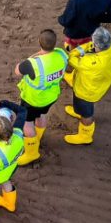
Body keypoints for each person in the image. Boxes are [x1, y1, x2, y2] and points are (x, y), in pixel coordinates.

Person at [14, 29, 68, 165]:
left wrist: (36, 55)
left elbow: (17, 71)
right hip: (50, 97)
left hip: (32, 100)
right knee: (41, 115)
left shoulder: (33, 63)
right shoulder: (61, 54)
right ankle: (38, 136)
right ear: (55, 44)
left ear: (39, 43)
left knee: (27, 123)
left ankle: (32, 152)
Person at [62, 27, 111, 145]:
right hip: (98, 83)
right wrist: (81, 49)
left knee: (87, 113)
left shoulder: (92, 63)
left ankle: (85, 135)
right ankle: (79, 111)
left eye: (94, 43)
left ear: (99, 46)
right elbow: (89, 45)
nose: (92, 44)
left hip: (87, 90)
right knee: (81, 106)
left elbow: (72, 60)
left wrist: (73, 52)